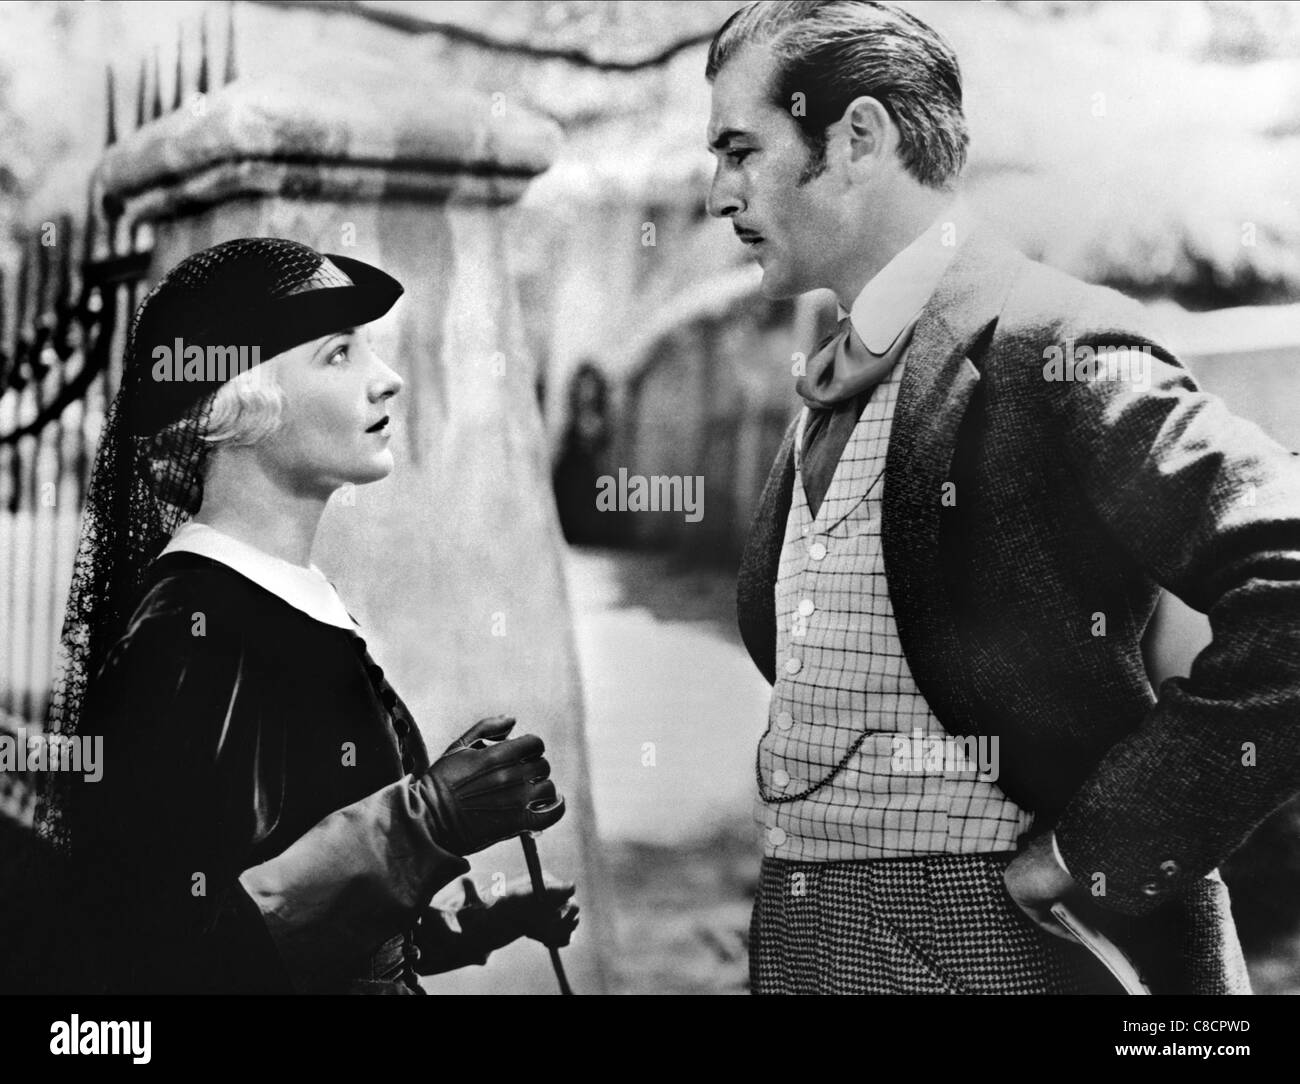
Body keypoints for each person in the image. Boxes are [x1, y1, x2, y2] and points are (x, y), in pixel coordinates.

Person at [707, 1, 1300, 994]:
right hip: (800, 930)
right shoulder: (833, 368)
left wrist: (1097, 847)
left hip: (996, 939)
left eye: (739, 149)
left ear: (856, 138)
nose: (718, 191)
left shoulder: (1055, 344)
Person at [40, 237, 578, 993]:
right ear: (237, 405)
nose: (386, 380)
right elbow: (164, 950)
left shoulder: (291, 599)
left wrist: (467, 923)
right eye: (338, 355)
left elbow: (304, 893)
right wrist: (424, 822)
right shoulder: (185, 635)